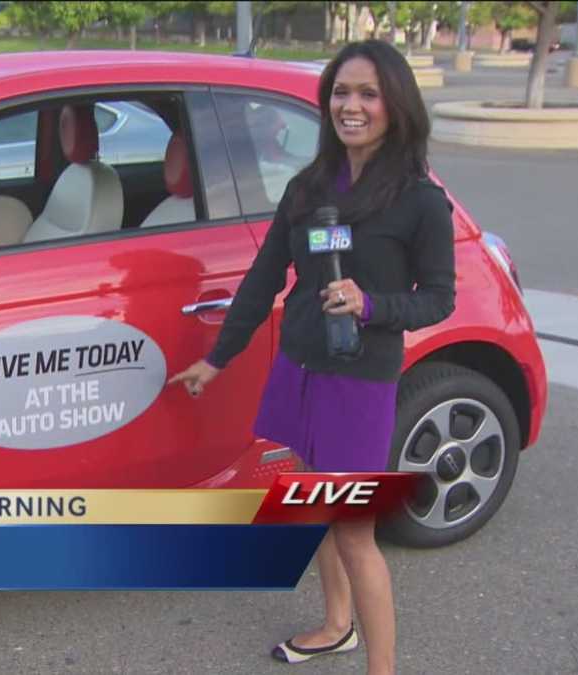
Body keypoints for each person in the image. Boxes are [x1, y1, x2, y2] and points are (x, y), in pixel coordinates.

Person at [168, 40, 455, 675]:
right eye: (341, 92)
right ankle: (335, 625)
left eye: (368, 94)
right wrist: (218, 358)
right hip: (301, 365)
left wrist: (370, 305)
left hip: (360, 380)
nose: (351, 106)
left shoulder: (419, 199)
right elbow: (264, 277)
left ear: (395, 105)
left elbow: (439, 298)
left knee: (353, 529)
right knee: (318, 503)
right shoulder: (309, 187)